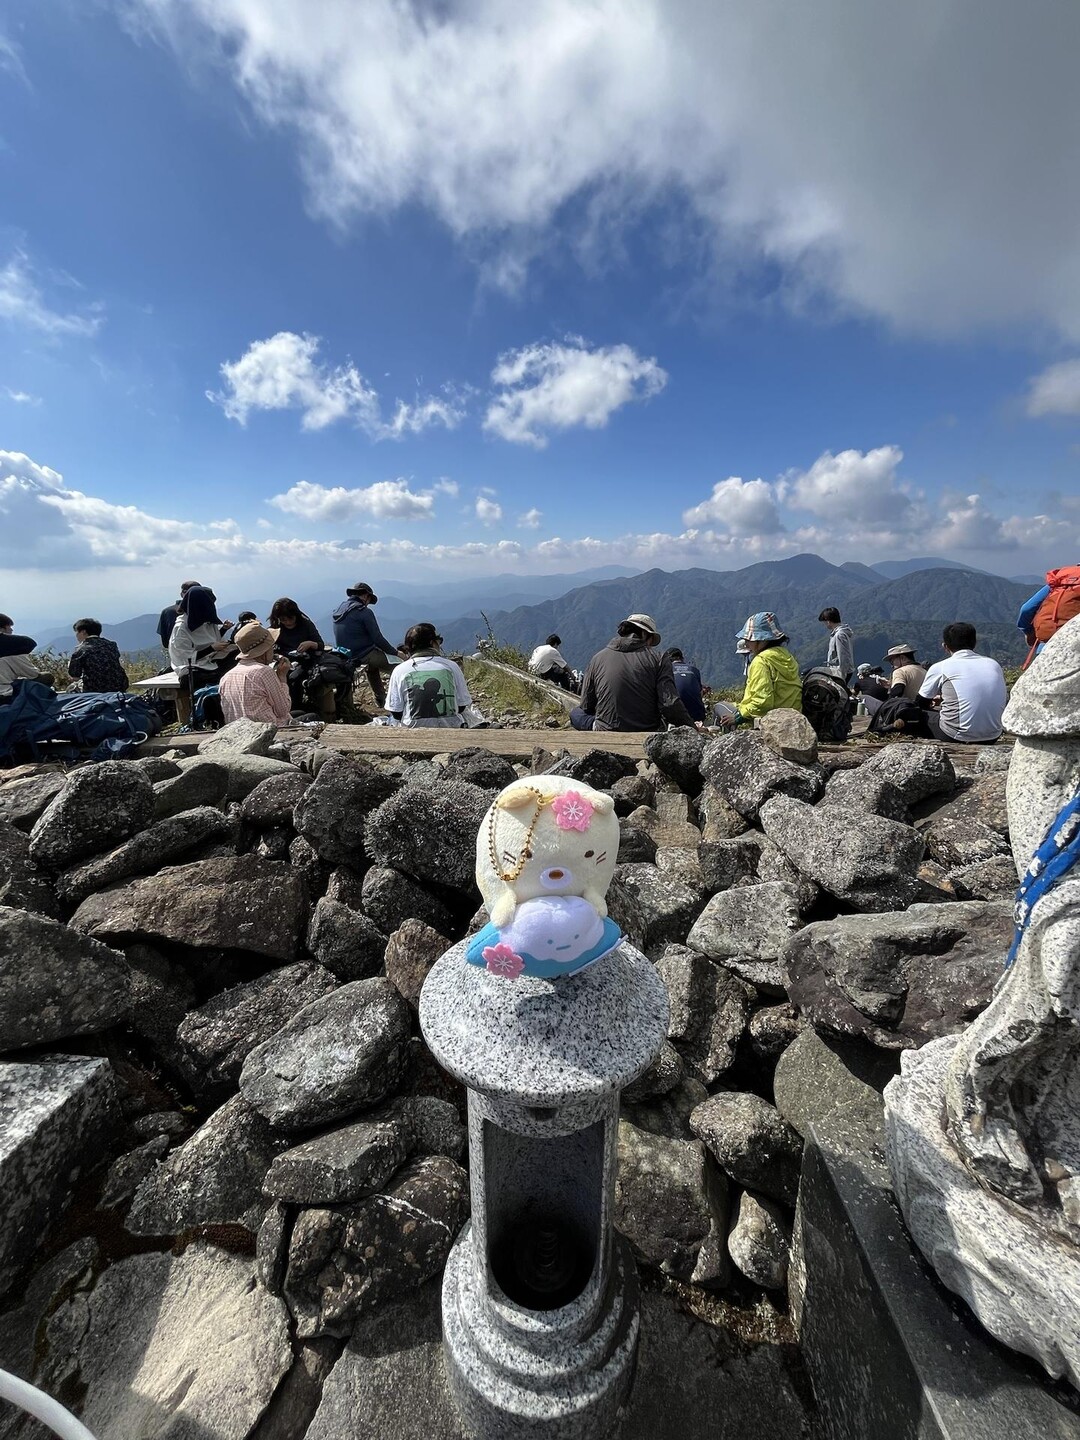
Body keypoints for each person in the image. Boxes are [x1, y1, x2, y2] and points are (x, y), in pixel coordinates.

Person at [570, 614, 705, 733]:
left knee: (576, 713)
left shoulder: (597, 658)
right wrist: (692, 727)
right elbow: (669, 704)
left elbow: (586, 704)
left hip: (606, 729)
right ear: (645, 635)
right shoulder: (658, 658)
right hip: (647, 730)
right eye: (651, 639)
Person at [917, 622, 1008, 744]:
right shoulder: (993, 664)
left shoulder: (941, 667)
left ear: (945, 646)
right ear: (975, 643)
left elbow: (921, 702)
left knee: (915, 715)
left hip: (954, 735)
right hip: (994, 734)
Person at [716, 612, 803, 727]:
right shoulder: (787, 656)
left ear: (762, 640)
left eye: (749, 638)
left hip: (771, 721)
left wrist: (738, 717)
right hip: (793, 718)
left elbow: (762, 702)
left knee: (719, 707)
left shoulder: (760, 662)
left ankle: (722, 741)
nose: (746, 643)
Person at [168, 585, 235, 724]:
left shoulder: (206, 621)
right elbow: (184, 657)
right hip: (192, 668)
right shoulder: (181, 628)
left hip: (211, 661)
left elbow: (212, 639)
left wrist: (223, 630)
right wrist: (211, 648)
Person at [332, 582, 403, 708]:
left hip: (344, 654)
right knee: (400, 668)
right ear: (365, 596)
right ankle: (399, 702)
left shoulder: (339, 609)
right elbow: (377, 638)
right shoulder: (364, 612)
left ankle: (381, 699)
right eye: (369, 600)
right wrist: (396, 653)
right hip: (362, 654)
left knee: (373, 667)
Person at [386, 623, 472, 727]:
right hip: (450, 730)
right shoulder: (451, 666)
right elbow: (462, 706)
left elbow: (396, 712)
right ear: (433, 643)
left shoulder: (400, 670)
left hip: (413, 733)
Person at [218, 622, 293, 726]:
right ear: (264, 650)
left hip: (239, 732)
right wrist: (282, 677)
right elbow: (283, 710)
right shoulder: (264, 672)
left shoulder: (226, 677)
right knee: (311, 716)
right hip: (268, 731)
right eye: (272, 646)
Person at [67, 619, 129, 693]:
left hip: (95, 689)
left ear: (83, 632)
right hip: (119, 687)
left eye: (77, 632)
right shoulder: (111, 645)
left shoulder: (81, 650)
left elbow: (75, 675)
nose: (76, 635)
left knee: (71, 689)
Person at [0, 614, 44, 703]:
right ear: (2, 630)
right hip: (4, 693)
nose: (12, 630)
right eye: (9, 627)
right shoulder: (12, 649)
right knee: (46, 677)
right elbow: (33, 674)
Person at [665, 647, 706, 723]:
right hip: (698, 715)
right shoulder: (694, 670)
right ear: (682, 658)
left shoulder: (667, 670)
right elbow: (700, 693)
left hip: (676, 717)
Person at [158, 580, 200, 650]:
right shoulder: (203, 611)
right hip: (202, 656)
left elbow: (165, 643)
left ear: (181, 594)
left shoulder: (167, 612)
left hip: (176, 656)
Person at [819, 606, 854, 683]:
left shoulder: (839, 635)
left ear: (828, 621)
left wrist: (841, 675)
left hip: (839, 672)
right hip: (839, 671)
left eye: (824, 622)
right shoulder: (841, 632)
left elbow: (843, 656)